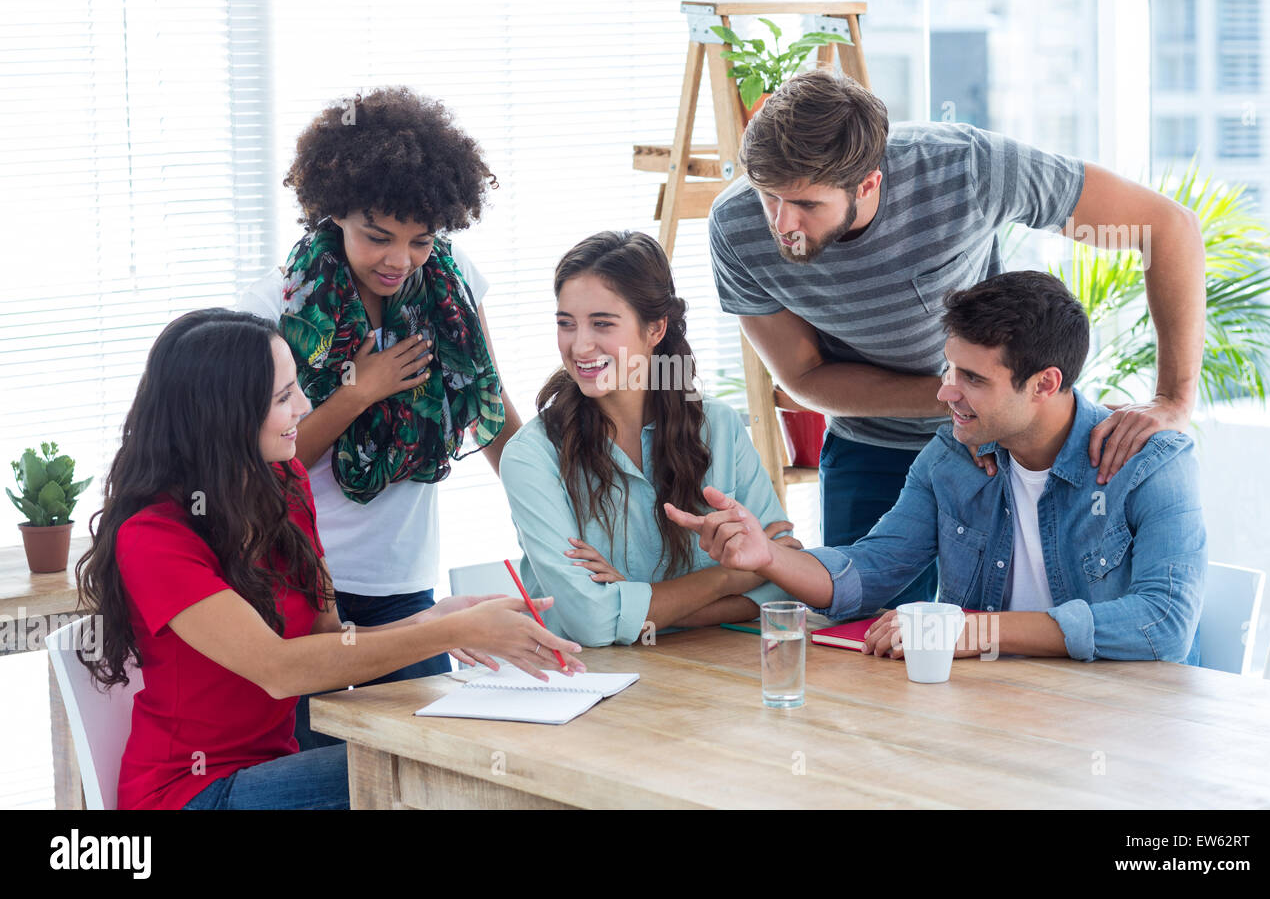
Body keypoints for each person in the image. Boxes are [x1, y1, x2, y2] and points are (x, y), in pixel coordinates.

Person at [708, 68, 1206, 609]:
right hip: (873, 444)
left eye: (806, 204)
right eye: (769, 197)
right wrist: (960, 404)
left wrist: (1174, 400)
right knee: (860, 630)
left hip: (1008, 437)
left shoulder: (967, 169)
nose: (782, 223)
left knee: (1025, 618)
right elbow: (804, 376)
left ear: (869, 183)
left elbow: (1165, 228)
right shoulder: (735, 228)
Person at [74, 310, 583, 810]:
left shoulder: (285, 484)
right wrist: (452, 634)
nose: (302, 405)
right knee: (441, 769)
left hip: (274, 766)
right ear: (222, 416)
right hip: (193, 793)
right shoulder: (154, 536)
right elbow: (277, 669)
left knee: (464, 760)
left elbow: (325, 646)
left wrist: (435, 617)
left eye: (296, 386)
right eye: (282, 397)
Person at [667, 272, 1208, 664]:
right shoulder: (952, 457)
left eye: (973, 378)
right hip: (986, 713)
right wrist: (767, 556)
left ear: (1044, 383)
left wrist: (971, 632)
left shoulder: (1153, 463)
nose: (946, 391)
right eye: (949, 367)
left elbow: (1163, 624)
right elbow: (871, 570)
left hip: (1122, 728)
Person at [237, 86, 524, 745]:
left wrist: (555, 516)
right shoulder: (274, 307)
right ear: (333, 209)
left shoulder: (454, 283)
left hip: (405, 582)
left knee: (428, 768)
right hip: (303, 589)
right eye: (377, 236)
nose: (399, 260)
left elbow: (489, 411)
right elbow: (268, 464)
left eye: (420, 240)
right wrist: (358, 393)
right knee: (328, 776)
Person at [498, 231, 802, 647]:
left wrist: (636, 605)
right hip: (588, 690)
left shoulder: (720, 427)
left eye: (602, 323)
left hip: (711, 678)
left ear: (655, 328)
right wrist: (729, 576)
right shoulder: (532, 457)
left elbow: (783, 584)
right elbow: (590, 622)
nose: (580, 345)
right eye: (566, 324)